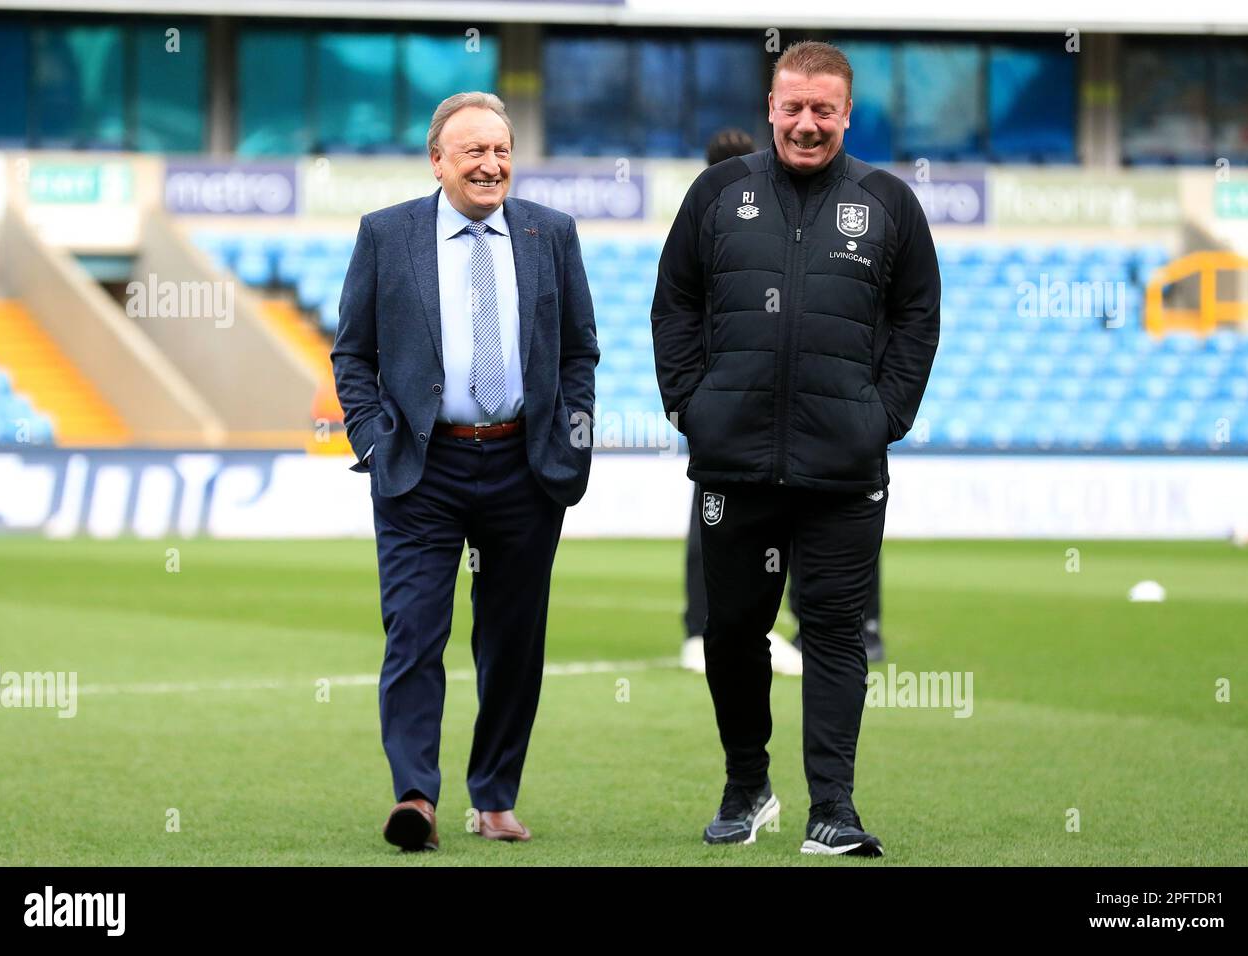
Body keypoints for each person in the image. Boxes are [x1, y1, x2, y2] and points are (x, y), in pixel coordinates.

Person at [651, 41, 939, 856]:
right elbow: (673, 303)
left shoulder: (887, 203)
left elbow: (919, 318)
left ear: (847, 115)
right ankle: (747, 787)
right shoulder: (718, 193)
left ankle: (834, 808)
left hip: (843, 467)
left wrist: (882, 416)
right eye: (793, 107)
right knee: (732, 631)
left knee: (837, 632)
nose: (807, 124)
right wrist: (690, 404)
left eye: (824, 109)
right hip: (733, 462)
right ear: (769, 107)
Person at [332, 91, 598, 852]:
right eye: (475, 152)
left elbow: (579, 352)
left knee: (513, 641)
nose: (492, 165)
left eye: (502, 150)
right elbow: (353, 353)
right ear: (438, 160)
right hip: (422, 465)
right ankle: (416, 796)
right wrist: (374, 439)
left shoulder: (553, 232)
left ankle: (494, 796)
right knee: (414, 633)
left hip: (525, 464)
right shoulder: (387, 234)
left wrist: (572, 442)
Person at [681, 128, 804, 678]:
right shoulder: (717, 226)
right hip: (738, 406)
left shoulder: (716, 222)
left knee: (721, 518)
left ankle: (708, 625)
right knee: (747, 517)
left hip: (741, 405)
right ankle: (706, 626)